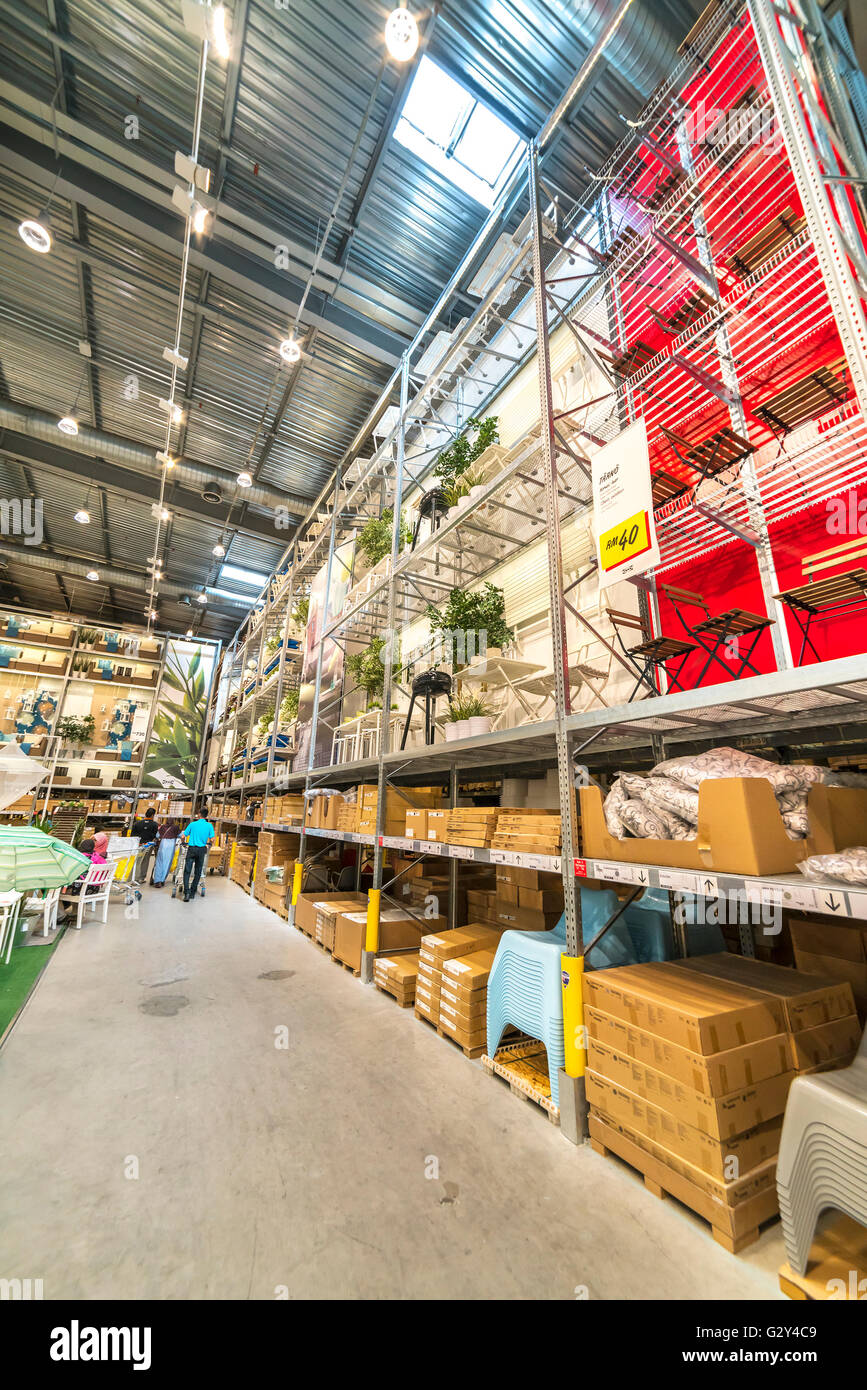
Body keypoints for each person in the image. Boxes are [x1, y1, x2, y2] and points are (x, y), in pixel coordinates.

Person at [180, 805, 215, 902]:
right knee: (198, 871)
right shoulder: (209, 826)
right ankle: (192, 892)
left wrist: (183, 842)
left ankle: (186, 893)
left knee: (187, 871)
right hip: (201, 850)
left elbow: (183, 836)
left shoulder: (192, 824)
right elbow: (212, 839)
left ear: (199, 814)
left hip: (191, 849)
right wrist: (210, 844)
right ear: (206, 816)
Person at [132, 807, 160, 883]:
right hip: (148, 845)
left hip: (139, 845)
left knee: (137, 861)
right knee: (145, 861)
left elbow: (133, 836)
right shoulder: (155, 825)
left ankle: (135, 877)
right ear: (152, 815)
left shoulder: (137, 824)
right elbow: (156, 836)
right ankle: (141, 877)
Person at [151, 818, 180, 887]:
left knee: (159, 863)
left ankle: (157, 881)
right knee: (167, 863)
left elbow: (157, 836)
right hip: (171, 846)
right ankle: (162, 880)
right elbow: (181, 835)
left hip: (163, 845)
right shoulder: (175, 828)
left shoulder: (162, 827)